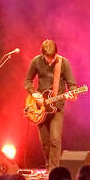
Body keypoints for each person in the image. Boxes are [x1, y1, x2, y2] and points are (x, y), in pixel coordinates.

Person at [24, 40, 77, 170]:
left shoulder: (63, 63)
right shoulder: (36, 61)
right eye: (47, 58)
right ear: (42, 55)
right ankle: (48, 165)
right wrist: (33, 93)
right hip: (40, 106)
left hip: (57, 106)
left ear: (55, 54)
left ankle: (54, 170)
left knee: (55, 140)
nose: (49, 61)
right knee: (45, 142)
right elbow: (28, 81)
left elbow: (72, 84)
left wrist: (72, 93)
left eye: (51, 59)